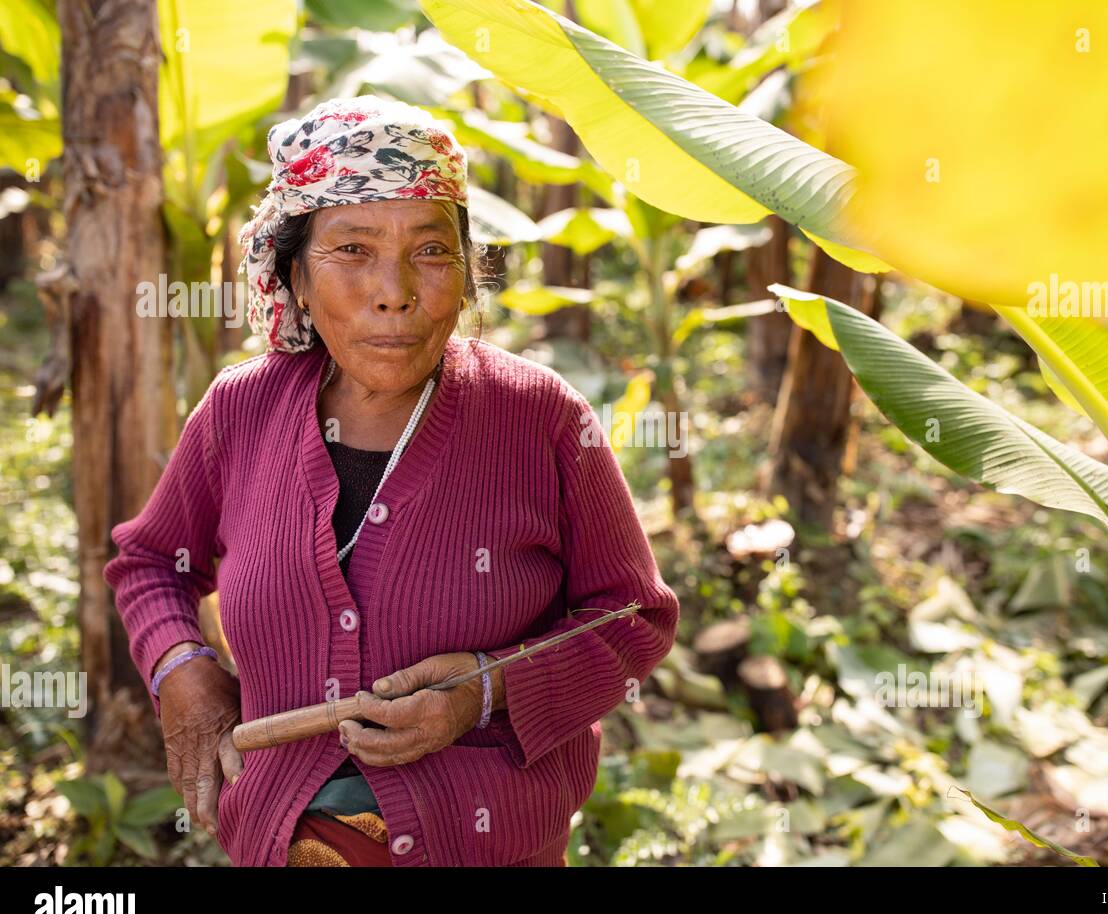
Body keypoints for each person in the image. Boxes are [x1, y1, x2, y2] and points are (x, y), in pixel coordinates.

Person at [102, 94, 680, 867]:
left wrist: (487, 688)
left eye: (431, 252)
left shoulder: (540, 419)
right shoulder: (241, 412)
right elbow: (149, 565)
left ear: (467, 275)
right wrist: (184, 671)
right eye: (352, 250)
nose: (395, 290)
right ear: (295, 275)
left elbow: (633, 615)